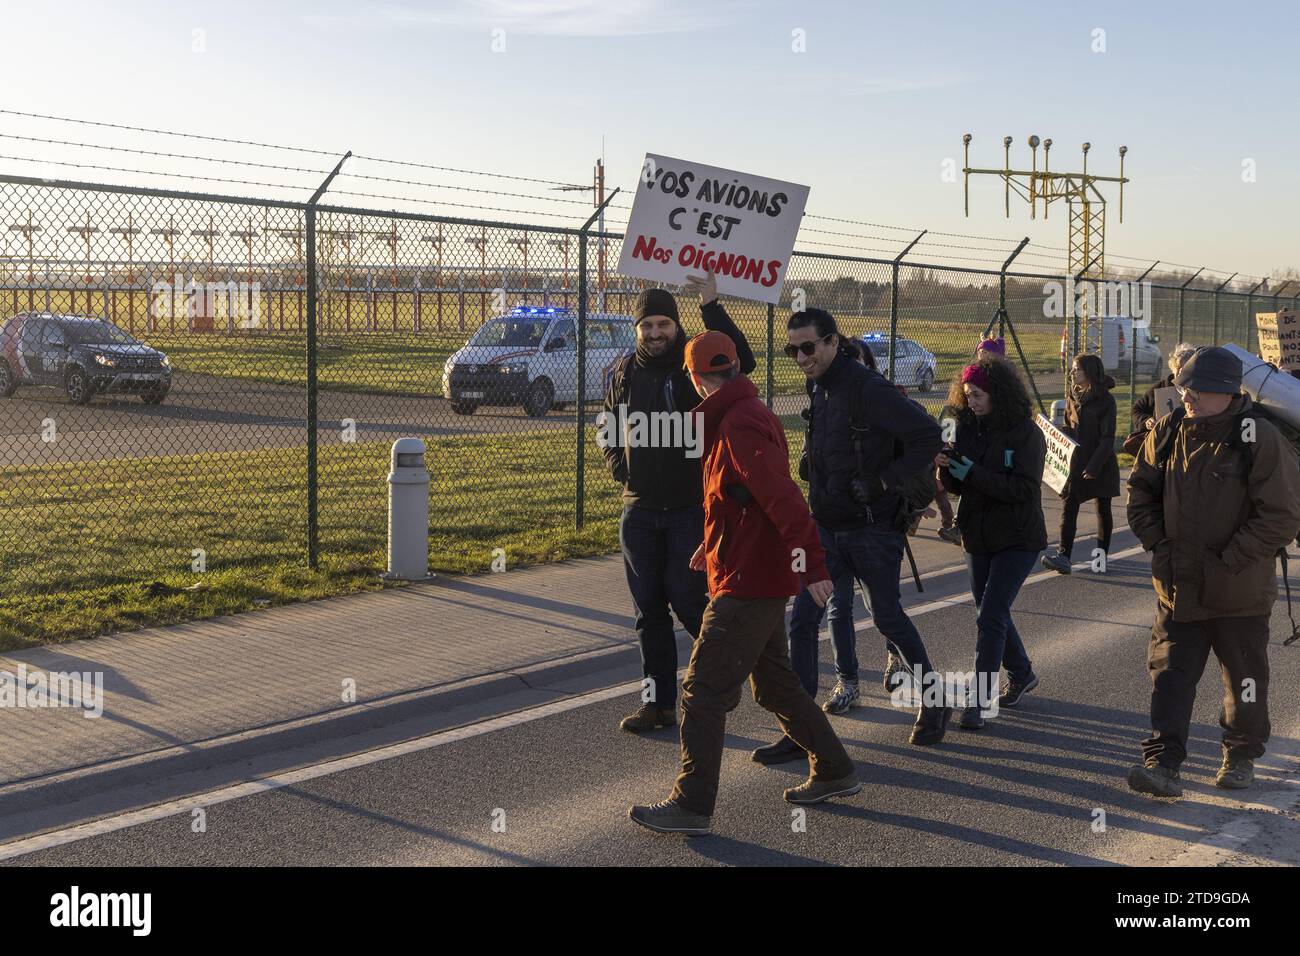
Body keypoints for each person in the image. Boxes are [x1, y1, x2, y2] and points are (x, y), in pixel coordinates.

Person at [627, 331, 861, 834]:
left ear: (694, 377)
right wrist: (708, 549)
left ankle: (692, 804)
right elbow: (738, 501)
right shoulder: (741, 414)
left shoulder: (736, 423)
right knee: (776, 686)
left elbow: (783, 498)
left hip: (749, 581)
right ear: (734, 367)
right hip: (751, 569)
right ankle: (836, 769)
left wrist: (813, 563)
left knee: (702, 691)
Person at [1126, 346, 1300, 798]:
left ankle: (1240, 755)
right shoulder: (1166, 431)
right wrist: (1159, 547)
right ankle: (1162, 764)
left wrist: (1229, 561)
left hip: (1238, 591)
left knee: (1243, 680)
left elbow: (1280, 515)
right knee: (1169, 677)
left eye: (1199, 390)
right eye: (1186, 387)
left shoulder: (1257, 436)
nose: (1188, 396)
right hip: (1177, 587)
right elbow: (1140, 492)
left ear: (1228, 392)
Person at [600, 271, 755, 733]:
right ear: (637, 329)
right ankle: (658, 705)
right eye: (646, 325)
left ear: (675, 324)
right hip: (640, 511)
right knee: (648, 613)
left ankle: (721, 679)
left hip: (690, 508)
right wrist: (620, 468)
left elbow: (739, 361)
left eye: (662, 324)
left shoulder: (693, 366)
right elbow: (608, 426)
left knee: (690, 600)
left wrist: (711, 302)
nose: (655, 333)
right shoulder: (623, 371)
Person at [787, 309, 950, 745]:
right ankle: (800, 728)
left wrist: (882, 480)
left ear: (833, 342)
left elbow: (929, 437)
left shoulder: (869, 388)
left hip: (872, 528)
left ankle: (934, 700)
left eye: (809, 347)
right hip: (825, 527)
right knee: (803, 619)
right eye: (793, 350)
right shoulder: (817, 388)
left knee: (887, 617)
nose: (801, 357)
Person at [937, 360, 1047, 730]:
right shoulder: (966, 428)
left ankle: (979, 701)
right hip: (977, 535)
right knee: (990, 611)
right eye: (967, 396)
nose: (972, 403)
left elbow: (1024, 490)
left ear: (998, 394)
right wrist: (947, 469)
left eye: (979, 396)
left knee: (990, 614)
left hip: (1018, 537)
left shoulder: (1025, 433)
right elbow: (958, 488)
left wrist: (975, 473)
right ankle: (1021, 672)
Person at [1042, 353, 1119, 574]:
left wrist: (1094, 467)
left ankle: (1101, 558)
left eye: (1077, 369)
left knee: (1103, 509)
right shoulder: (1072, 397)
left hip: (1100, 463)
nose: (1073, 372)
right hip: (1076, 463)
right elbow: (1068, 427)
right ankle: (1064, 556)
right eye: (1073, 369)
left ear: (1090, 373)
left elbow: (1107, 438)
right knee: (1069, 503)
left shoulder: (1106, 400)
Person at [1123, 342, 1196, 455]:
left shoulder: (1199, 391)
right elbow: (1137, 410)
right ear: (1173, 367)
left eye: (1185, 367)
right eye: (1178, 367)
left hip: (1189, 447)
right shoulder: (1161, 388)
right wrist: (1146, 421)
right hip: (1161, 447)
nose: (1181, 371)